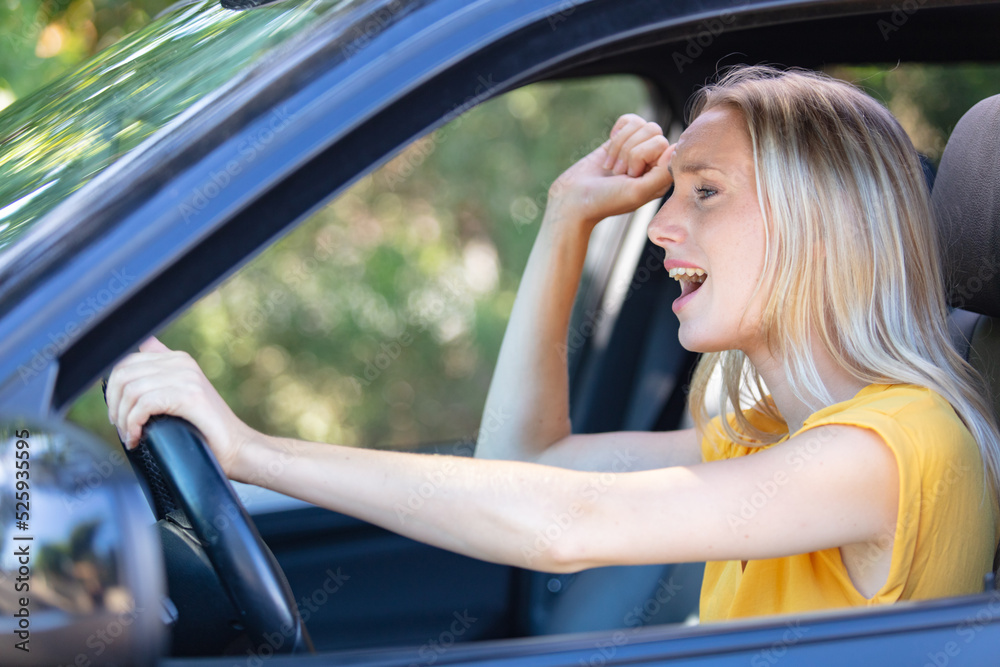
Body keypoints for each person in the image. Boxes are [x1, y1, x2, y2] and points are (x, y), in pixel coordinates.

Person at [106, 65, 1000, 622]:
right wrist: (565, 221)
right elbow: (528, 458)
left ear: (819, 223)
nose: (659, 225)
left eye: (706, 192)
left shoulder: (896, 446)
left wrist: (254, 451)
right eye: (669, 190)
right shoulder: (776, 436)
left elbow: (566, 524)